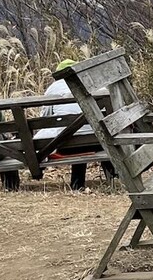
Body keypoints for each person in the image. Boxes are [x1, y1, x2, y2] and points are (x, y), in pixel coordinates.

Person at [42, 59, 113, 190]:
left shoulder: (52, 89)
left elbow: (45, 118)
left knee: (74, 136)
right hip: (99, 142)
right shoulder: (93, 83)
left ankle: (77, 185)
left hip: (65, 144)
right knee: (95, 134)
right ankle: (113, 178)